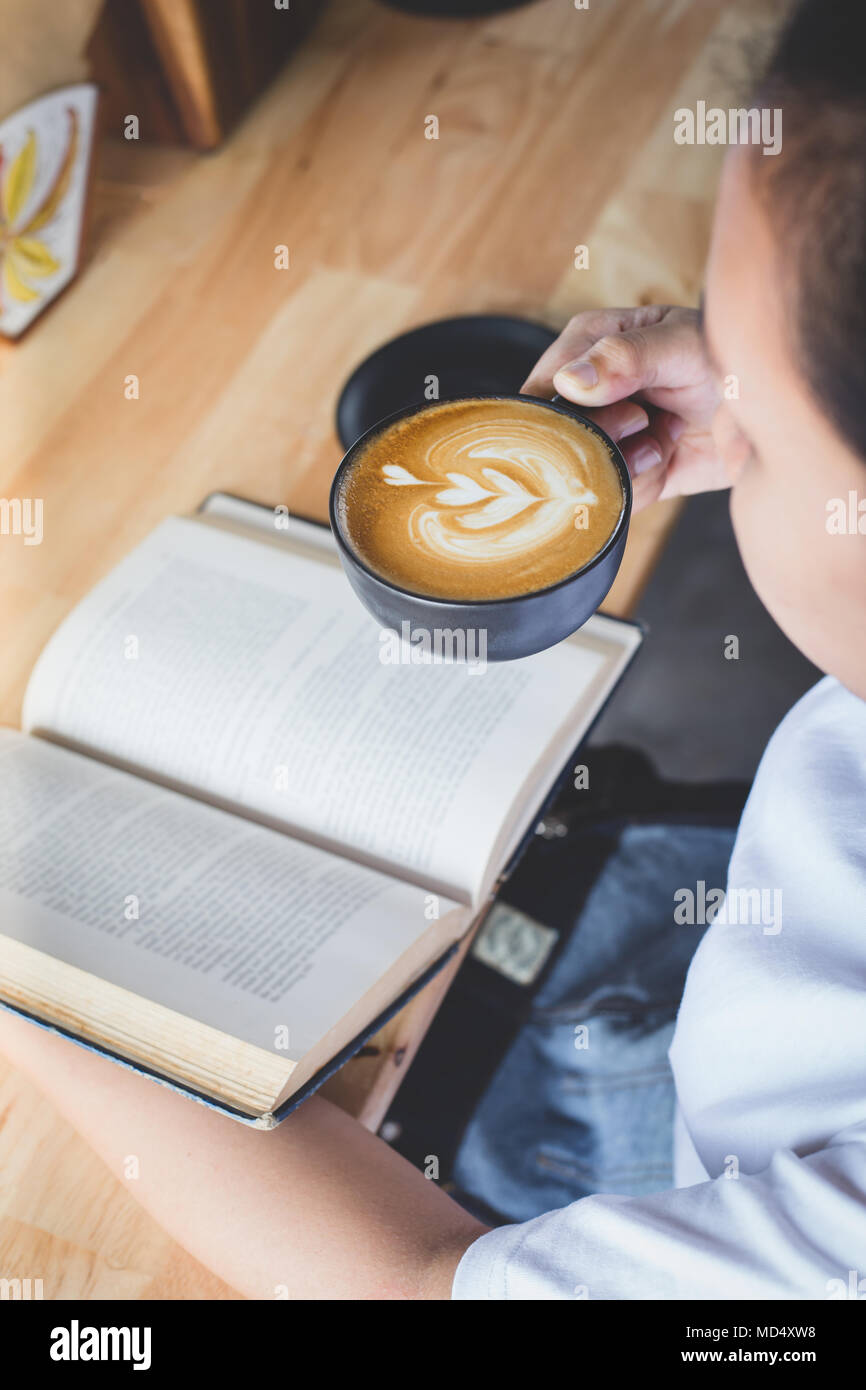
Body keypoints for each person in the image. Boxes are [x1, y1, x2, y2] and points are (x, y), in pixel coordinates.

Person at [1, 0, 865, 1299]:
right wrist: (769, 383)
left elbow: (410, 1281)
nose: (715, 396)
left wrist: (34, 956)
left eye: (751, 390)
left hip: (697, 1160)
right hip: (736, 962)